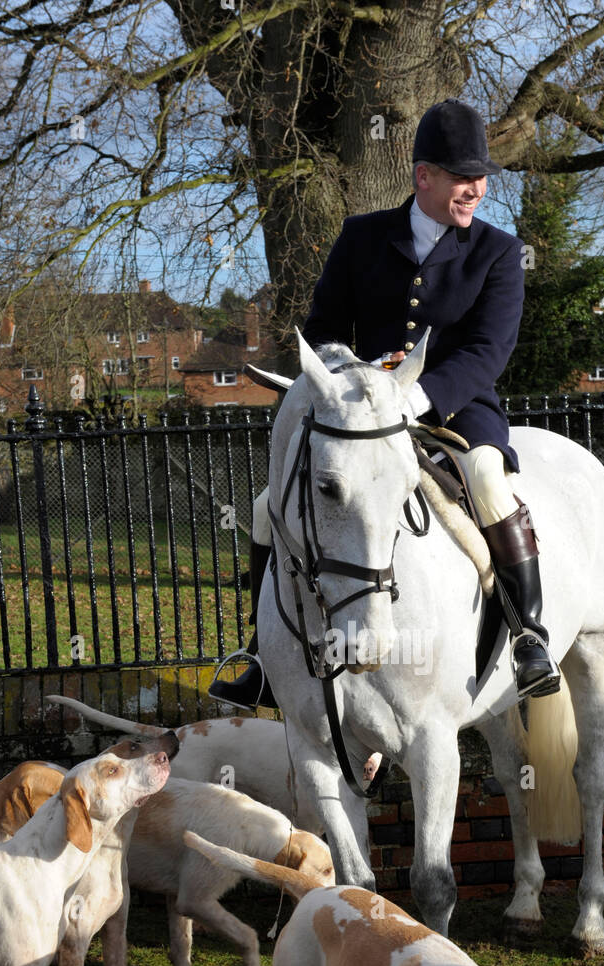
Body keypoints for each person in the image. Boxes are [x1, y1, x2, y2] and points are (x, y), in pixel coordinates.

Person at [210, 98, 560, 708]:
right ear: (424, 175)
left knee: (485, 476)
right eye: (461, 176)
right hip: (360, 415)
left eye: (480, 177)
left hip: (456, 408)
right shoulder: (361, 236)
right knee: (270, 506)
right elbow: (322, 329)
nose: (475, 188)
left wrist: (418, 394)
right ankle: (264, 654)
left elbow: (488, 350)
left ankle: (529, 634)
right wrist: (357, 377)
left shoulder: (498, 253)